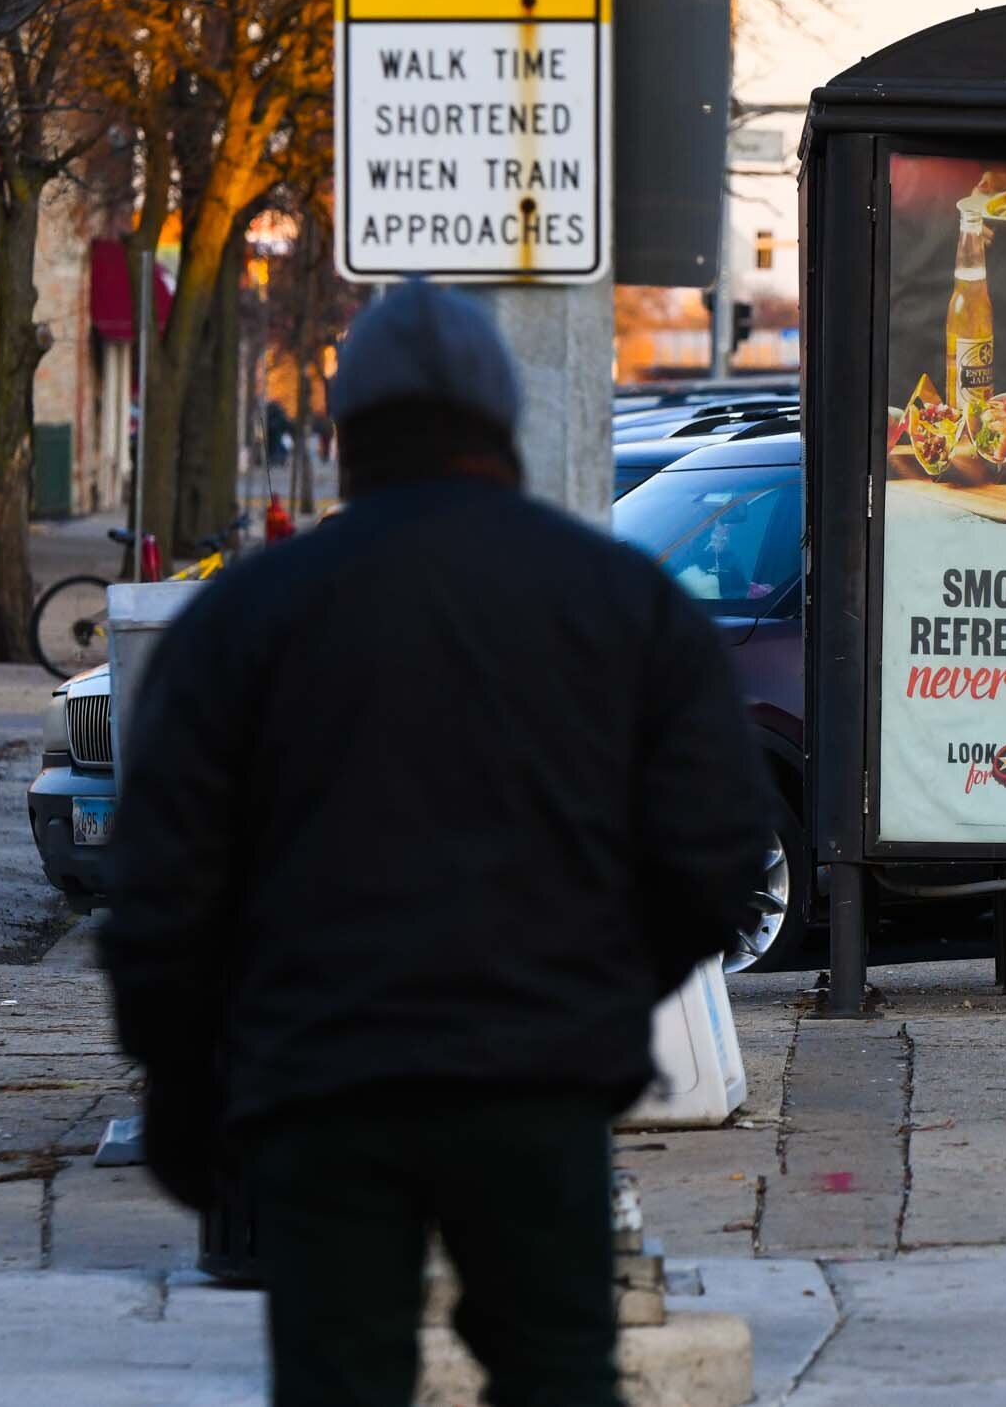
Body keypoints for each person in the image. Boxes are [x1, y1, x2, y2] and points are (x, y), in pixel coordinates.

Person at [100, 282, 773, 1407]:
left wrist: (185, 1080)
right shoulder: (618, 603)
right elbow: (719, 848)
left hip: (323, 1087)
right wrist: (605, 997)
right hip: (536, 1076)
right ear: (502, 424)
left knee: (340, 1380)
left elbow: (163, 885)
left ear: (343, 433)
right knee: (558, 1377)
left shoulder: (248, 618)